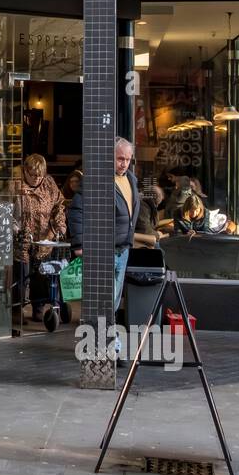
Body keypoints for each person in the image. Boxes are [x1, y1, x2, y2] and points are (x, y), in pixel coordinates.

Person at [66, 137, 141, 330]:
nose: (124, 163)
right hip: (103, 250)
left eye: (127, 159)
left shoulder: (131, 179)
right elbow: (77, 211)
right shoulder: (97, 179)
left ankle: (105, 333)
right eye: (120, 158)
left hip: (123, 249)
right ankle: (101, 336)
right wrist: (79, 244)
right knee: (103, 300)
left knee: (114, 299)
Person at [13, 154, 67, 322]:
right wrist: (15, 229)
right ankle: (16, 308)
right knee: (21, 274)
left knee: (42, 274)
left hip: (44, 238)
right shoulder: (15, 185)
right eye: (32, 175)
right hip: (21, 239)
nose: (36, 179)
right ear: (25, 171)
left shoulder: (49, 184)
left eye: (40, 175)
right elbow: (6, 210)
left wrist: (58, 225)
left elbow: (59, 205)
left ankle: (39, 308)